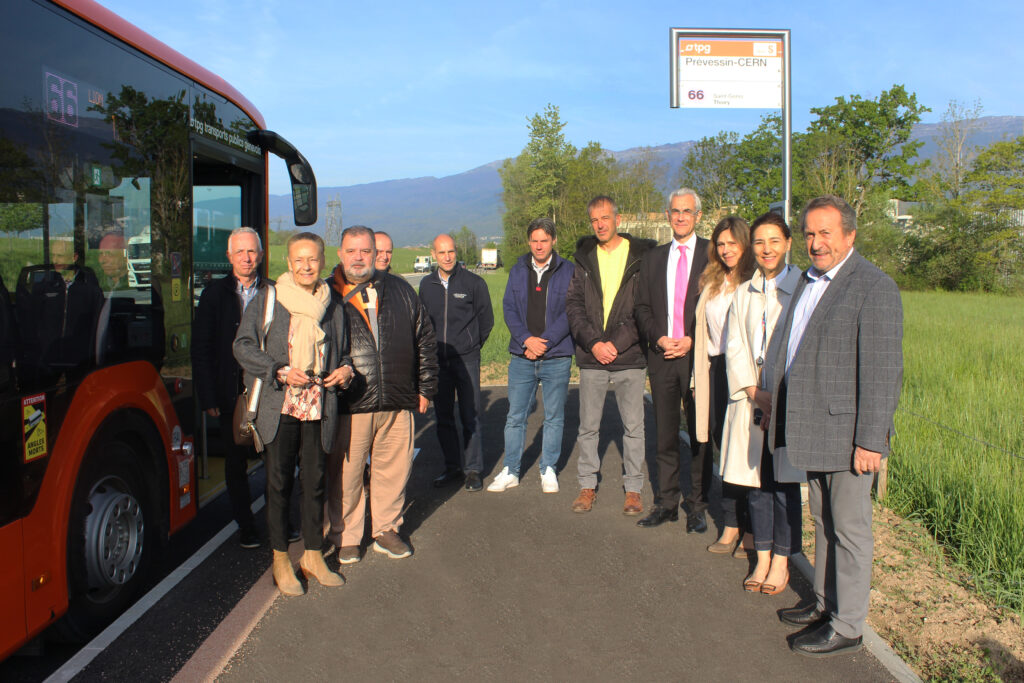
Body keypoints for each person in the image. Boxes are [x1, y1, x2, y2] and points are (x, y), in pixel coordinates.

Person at [765, 196, 903, 657]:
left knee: (850, 529)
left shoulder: (872, 287)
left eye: (825, 233)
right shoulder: (808, 280)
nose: (815, 242)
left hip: (847, 436)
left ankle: (847, 625)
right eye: (809, 233)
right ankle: (825, 604)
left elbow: (883, 371)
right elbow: (789, 343)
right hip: (813, 428)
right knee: (823, 522)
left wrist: (870, 439)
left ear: (849, 235)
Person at [233, 232, 353, 596]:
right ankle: (281, 559)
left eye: (312, 259)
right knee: (279, 483)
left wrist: (346, 371)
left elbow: (344, 352)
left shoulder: (332, 304)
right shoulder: (269, 299)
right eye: (299, 259)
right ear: (288, 262)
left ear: (322, 261)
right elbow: (242, 346)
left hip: (318, 402)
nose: (305, 266)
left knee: (315, 481)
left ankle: (314, 556)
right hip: (280, 402)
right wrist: (279, 370)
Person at [326, 225, 437, 562]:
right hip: (351, 403)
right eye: (352, 251)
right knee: (347, 473)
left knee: (393, 469)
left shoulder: (402, 290)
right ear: (340, 254)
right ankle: (346, 535)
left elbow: (425, 340)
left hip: (397, 399)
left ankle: (386, 529)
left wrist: (426, 387)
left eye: (365, 251)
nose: (358, 258)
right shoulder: (327, 296)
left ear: (375, 254)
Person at [718, 213, 804, 594]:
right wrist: (755, 392)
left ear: (787, 243)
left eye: (774, 240)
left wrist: (779, 395)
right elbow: (734, 345)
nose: (766, 249)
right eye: (759, 242)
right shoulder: (743, 293)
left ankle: (782, 561)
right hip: (753, 402)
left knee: (783, 484)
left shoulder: (803, 288)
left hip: (789, 401)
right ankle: (763, 556)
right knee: (756, 484)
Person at [566, 196, 654, 515]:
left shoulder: (640, 257)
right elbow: (574, 306)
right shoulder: (584, 258)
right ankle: (587, 486)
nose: (600, 225)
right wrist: (594, 343)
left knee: (634, 427)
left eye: (605, 218)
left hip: (629, 355)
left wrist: (616, 343)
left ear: (618, 219)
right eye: (594, 220)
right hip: (592, 356)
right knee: (589, 426)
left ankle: (633, 490)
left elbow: (645, 307)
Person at [634, 189, 710, 532]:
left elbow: (720, 305)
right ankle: (666, 503)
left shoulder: (712, 254)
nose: (680, 217)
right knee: (664, 433)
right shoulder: (653, 258)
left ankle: (696, 505)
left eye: (687, 211)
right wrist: (659, 338)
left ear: (697, 215)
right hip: (663, 355)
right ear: (667, 215)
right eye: (675, 211)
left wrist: (693, 339)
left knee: (698, 434)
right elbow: (642, 307)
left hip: (697, 358)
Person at [488, 217, 575, 494]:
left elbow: (570, 312)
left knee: (554, 416)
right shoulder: (517, 271)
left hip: (557, 356)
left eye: (544, 240)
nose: (539, 245)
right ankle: (511, 470)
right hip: (522, 356)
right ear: (529, 242)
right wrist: (526, 339)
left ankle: (548, 469)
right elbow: (509, 309)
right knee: (515, 416)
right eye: (535, 240)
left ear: (553, 241)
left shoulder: (569, 271)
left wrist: (545, 342)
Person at [192, 227, 267, 549]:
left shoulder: (274, 292)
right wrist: (208, 396)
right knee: (236, 462)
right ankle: (246, 524)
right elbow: (201, 348)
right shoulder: (213, 295)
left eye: (251, 252)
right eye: (240, 252)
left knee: (276, 461)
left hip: (268, 391)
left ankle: (281, 520)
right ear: (229, 257)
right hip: (230, 393)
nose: (246, 258)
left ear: (260, 255)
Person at [691, 216, 757, 552]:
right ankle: (730, 524)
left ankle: (748, 529)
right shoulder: (712, 280)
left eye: (733, 243)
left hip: (745, 376)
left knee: (745, 451)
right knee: (722, 447)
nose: (726, 250)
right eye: (721, 244)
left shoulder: (756, 281)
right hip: (715, 371)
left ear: (745, 244)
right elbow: (704, 334)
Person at [419, 233, 493, 492]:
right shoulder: (427, 285)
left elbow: (487, 320)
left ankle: (473, 469)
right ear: (434, 254)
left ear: (456, 252)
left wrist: (471, 345)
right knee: (443, 417)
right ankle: (452, 467)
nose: (447, 257)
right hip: (438, 361)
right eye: (442, 253)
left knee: (470, 415)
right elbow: (423, 323)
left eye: (450, 251)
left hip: (467, 359)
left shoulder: (474, 283)